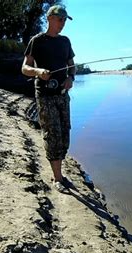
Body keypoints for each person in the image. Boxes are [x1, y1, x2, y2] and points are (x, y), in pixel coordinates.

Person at [21, 5, 76, 192]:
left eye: (65, 20)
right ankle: (57, 179)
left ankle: (60, 173)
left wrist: (70, 78)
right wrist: (37, 71)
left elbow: (72, 66)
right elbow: (25, 68)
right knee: (52, 134)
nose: (62, 24)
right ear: (50, 18)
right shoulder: (36, 41)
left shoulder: (66, 42)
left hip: (62, 95)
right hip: (44, 95)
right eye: (60, 19)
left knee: (64, 135)